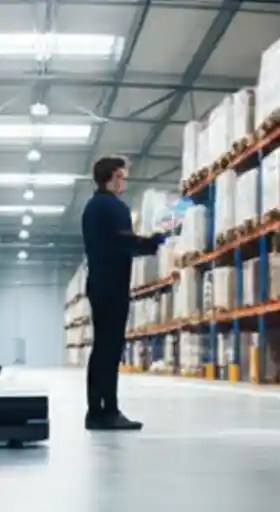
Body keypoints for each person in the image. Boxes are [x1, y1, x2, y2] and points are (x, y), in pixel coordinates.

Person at [80, 156, 166, 431]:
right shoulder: (112, 206)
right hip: (112, 285)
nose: (124, 183)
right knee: (110, 349)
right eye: (122, 177)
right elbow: (123, 241)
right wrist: (153, 241)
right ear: (112, 178)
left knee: (102, 349)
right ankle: (108, 411)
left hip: (100, 283)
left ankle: (96, 411)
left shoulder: (92, 207)